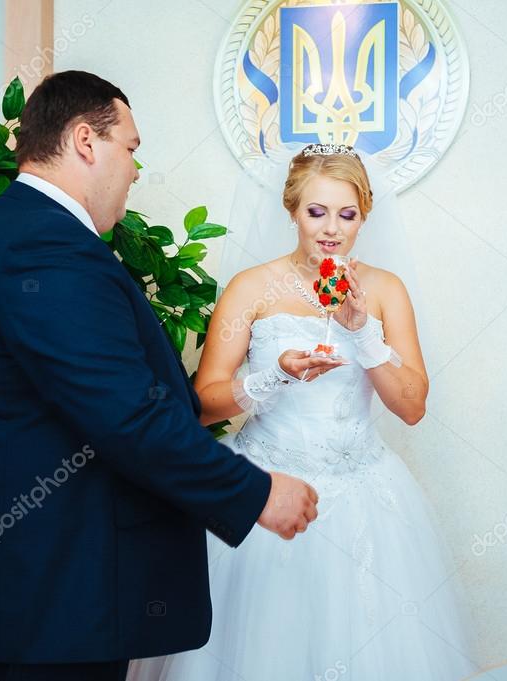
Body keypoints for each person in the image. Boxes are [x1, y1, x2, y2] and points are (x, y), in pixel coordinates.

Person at [0, 71, 328, 681]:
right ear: (84, 140)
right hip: (38, 601)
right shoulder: (42, 248)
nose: (135, 168)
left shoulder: (22, 230)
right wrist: (255, 492)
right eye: (130, 147)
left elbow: (127, 400)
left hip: (41, 598)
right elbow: (126, 414)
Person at [127, 144, 478, 680]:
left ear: (365, 215)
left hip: (365, 498)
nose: (331, 229)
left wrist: (363, 333)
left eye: (347, 214)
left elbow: (411, 407)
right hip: (265, 492)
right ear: (292, 210)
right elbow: (201, 406)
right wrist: (275, 377)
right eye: (316, 212)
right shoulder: (251, 287)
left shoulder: (384, 290)